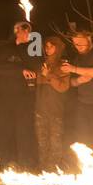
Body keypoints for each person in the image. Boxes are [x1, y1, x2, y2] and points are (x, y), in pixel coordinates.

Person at [0, 21, 40, 169]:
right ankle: (6, 161)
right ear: (17, 31)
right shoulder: (2, 46)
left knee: (24, 128)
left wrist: (30, 47)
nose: (28, 34)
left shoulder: (31, 48)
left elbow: (36, 65)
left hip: (24, 96)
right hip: (4, 95)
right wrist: (20, 70)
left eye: (29, 31)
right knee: (5, 128)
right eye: (25, 31)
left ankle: (26, 162)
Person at [60, 30, 93, 157]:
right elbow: (72, 83)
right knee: (85, 138)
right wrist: (79, 80)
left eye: (80, 43)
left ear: (89, 39)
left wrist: (74, 68)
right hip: (83, 103)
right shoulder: (78, 57)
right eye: (75, 44)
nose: (78, 46)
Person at [34, 35, 71, 171]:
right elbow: (37, 88)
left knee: (55, 141)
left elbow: (63, 87)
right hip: (40, 109)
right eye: (46, 47)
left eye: (51, 46)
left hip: (56, 109)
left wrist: (48, 75)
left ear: (58, 47)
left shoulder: (63, 65)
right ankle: (43, 167)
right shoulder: (42, 65)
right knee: (42, 141)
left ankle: (54, 167)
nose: (48, 49)